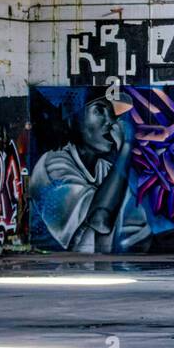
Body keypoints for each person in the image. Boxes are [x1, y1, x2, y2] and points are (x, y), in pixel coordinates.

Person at [29, 89, 151, 253]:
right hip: (67, 272)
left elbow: (139, 232)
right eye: (99, 110)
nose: (112, 121)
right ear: (72, 118)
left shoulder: (106, 170)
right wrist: (126, 147)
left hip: (102, 269)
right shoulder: (53, 165)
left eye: (113, 113)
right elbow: (100, 219)